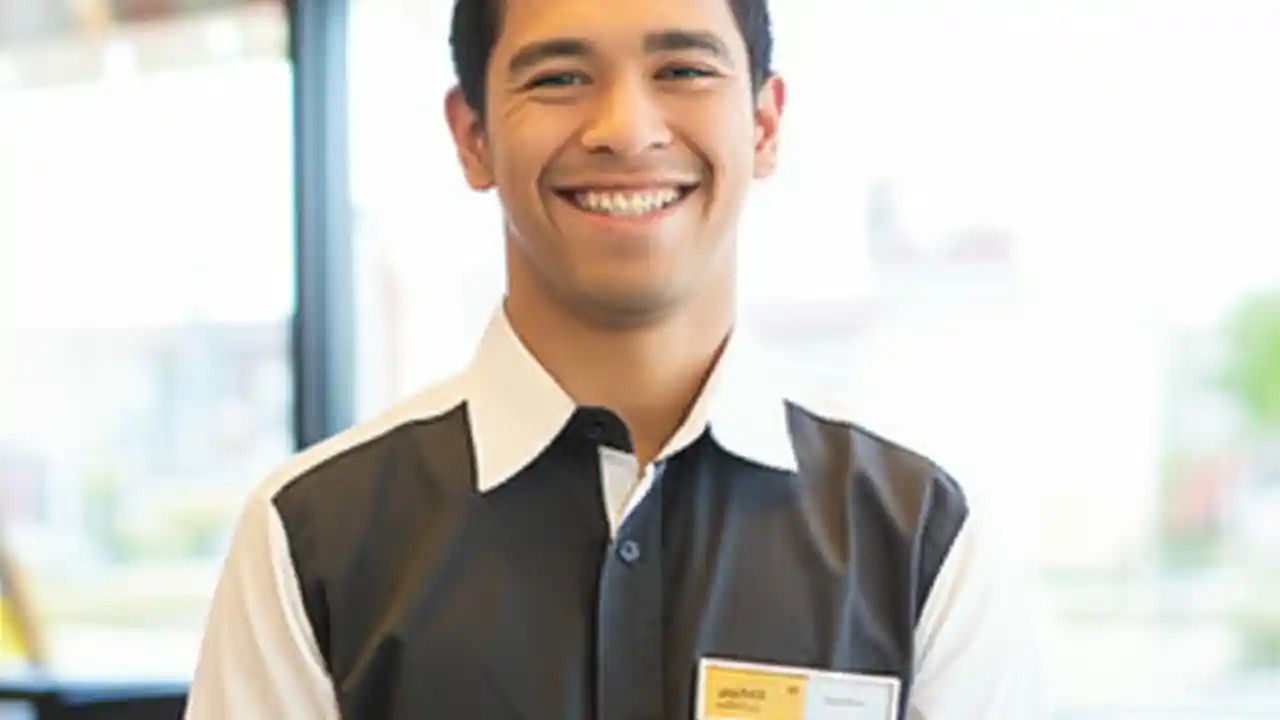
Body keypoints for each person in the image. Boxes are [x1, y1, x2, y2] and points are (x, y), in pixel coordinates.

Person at [186, 0, 1046, 717]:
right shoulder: (310, 539)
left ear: (764, 122)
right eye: (559, 78)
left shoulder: (919, 544)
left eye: (683, 71)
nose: (625, 129)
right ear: (472, 135)